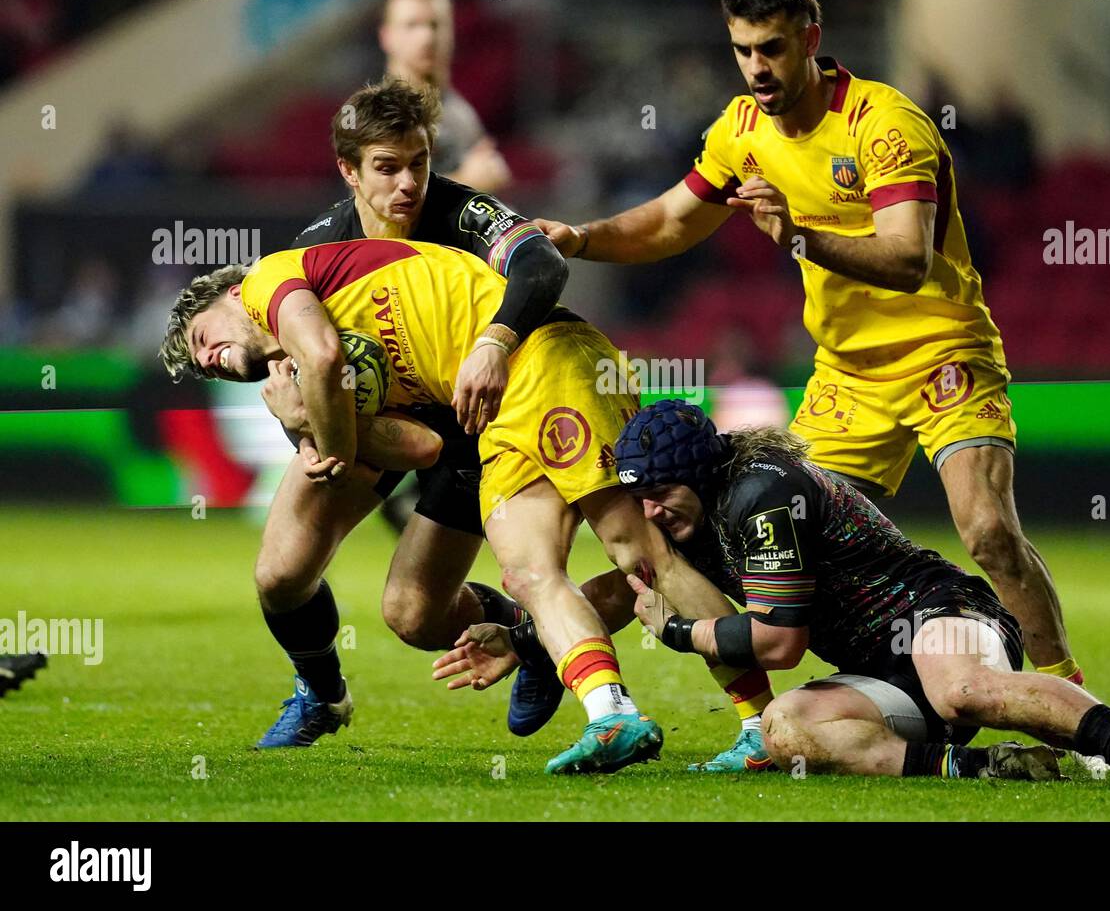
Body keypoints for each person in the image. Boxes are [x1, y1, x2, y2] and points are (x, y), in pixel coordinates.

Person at [534, 0, 1081, 694]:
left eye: (773, 48)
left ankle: (1067, 693)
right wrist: (579, 235)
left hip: (942, 351)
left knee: (985, 529)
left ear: (811, 39)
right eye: (743, 50)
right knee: (759, 535)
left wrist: (800, 237)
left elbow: (909, 258)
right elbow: (669, 220)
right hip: (848, 375)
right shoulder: (741, 131)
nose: (757, 67)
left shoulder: (884, 126)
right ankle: (561, 651)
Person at [159, 239, 757, 775]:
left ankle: (760, 726)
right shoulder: (299, 373)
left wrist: (313, 428)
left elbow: (322, 356)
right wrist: (310, 417)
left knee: (640, 552)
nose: (208, 358)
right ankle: (612, 715)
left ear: (233, 295)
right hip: (490, 417)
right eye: (200, 364)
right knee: (526, 574)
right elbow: (422, 445)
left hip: (543, 356)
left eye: (203, 338)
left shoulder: (272, 282)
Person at [617, 401, 1110, 791]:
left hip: (940, 610)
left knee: (962, 692)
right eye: (638, 496)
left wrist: (677, 632)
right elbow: (620, 582)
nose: (650, 510)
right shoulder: (690, 517)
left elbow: (779, 644)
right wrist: (541, 632)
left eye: (661, 491)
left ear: (701, 473)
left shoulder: (759, 495)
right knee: (785, 730)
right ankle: (982, 766)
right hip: (882, 671)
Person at [379, 0, 511, 192]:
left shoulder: (459, 110)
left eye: (436, 25)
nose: (427, 37)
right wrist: (467, 182)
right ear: (386, 36)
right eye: (412, 25)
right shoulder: (378, 114)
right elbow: (378, 204)